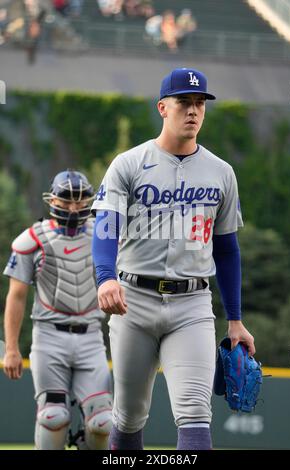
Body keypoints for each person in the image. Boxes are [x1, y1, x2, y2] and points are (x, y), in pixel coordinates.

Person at [91, 67, 256, 450]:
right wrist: (105, 278)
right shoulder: (129, 164)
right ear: (163, 107)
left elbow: (228, 250)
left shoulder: (221, 172)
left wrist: (235, 320)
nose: (193, 110)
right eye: (184, 102)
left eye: (200, 103)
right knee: (129, 418)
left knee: (196, 416)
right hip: (134, 301)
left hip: (192, 305)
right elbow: (105, 229)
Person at [3, 170, 112, 450]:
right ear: (53, 200)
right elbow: (16, 296)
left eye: (79, 201)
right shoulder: (32, 239)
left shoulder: (103, 235)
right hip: (49, 336)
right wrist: (12, 348)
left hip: (90, 336)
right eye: (67, 201)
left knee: (103, 421)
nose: (74, 207)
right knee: (53, 416)